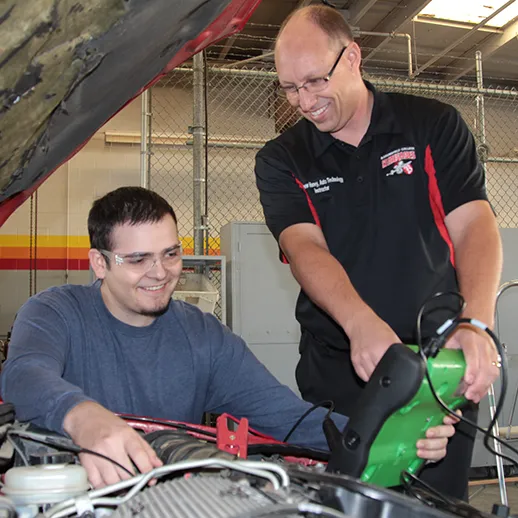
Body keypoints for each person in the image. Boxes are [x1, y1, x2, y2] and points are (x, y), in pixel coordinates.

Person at [0, 186, 455, 489]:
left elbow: (287, 418)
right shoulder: (55, 312)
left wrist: (382, 435)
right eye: (138, 259)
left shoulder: (202, 336)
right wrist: (86, 420)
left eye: (171, 253)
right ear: (99, 264)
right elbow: (24, 374)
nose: (160, 274)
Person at [254, 5, 503, 501]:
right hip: (343, 369)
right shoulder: (282, 158)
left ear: (352, 58)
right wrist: (358, 322)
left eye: (314, 81)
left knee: (433, 505)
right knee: (344, 504)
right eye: (289, 88)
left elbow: (474, 223)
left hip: (436, 366)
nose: (304, 101)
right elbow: (305, 247)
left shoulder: (432, 126)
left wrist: (476, 322)